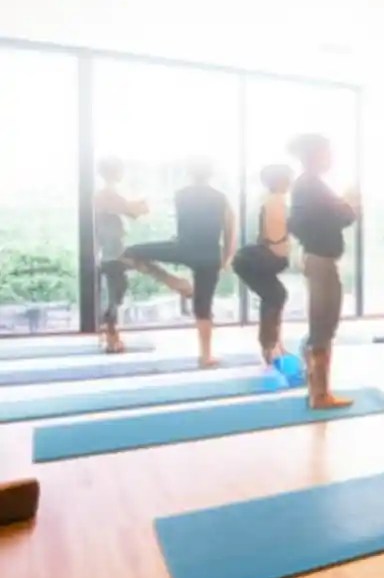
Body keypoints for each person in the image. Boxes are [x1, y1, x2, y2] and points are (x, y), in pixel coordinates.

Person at [123, 158, 235, 367]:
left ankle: (173, 281)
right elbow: (230, 227)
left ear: (189, 174)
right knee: (203, 305)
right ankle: (206, 355)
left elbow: (186, 224)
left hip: (183, 248)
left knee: (129, 253)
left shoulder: (180, 195)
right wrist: (227, 256)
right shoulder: (221, 198)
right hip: (210, 253)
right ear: (211, 174)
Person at [289, 134, 359, 410]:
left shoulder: (310, 186)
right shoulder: (310, 186)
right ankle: (320, 394)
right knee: (323, 325)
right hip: (320, 260)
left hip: (319, 258)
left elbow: (337, 216)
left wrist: (342, 208)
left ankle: (318, 388)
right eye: (327, 153)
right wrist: (346, 206)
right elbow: (343, 217)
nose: (331, 158)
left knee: (324, 324)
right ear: (316, 155)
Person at [93, 157, 170, 353]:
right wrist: (138, 205)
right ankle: (111, 336)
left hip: (117, 252)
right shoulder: (105, 195)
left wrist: (135, 207)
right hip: (113, 255)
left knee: (117, 295)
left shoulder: (109, 195)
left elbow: (133, 211)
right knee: (115, 297)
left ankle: (111, 334)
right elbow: (134, 210)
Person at [233, 164, 293, 363]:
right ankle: (271, 347)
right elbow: (275, 235)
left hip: (262, 258)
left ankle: (273, 345)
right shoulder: (276, 202)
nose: (290, 182)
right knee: (275, 296)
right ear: (280, 181)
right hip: (266, 259)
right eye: (288, 178)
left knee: (275, 295)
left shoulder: (271, 201)